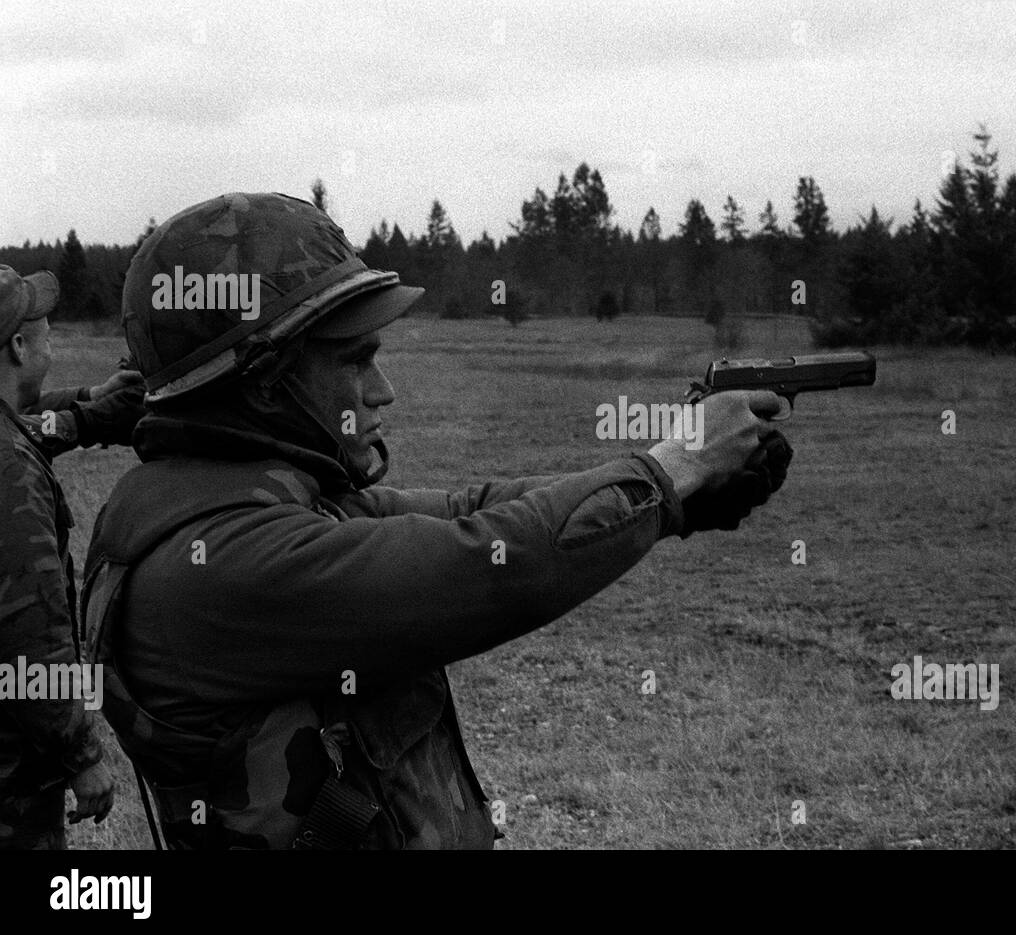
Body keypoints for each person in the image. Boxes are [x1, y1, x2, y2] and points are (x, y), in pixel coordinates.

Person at [82, 192, 793, 850]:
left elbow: (472, 509)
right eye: (356, 360)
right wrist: (667, 472)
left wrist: (674, 494)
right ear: (263, 381)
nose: (382, 389)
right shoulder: (220, 557)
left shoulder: (245, 495)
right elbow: (487, 561)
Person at [0, 265, 144, 850]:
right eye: (46, 331)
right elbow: (28, 636)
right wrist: (83, 753)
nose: (52, 339)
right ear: (17, 346)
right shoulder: (10, 470)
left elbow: (34, 424)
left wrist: (92, 405)